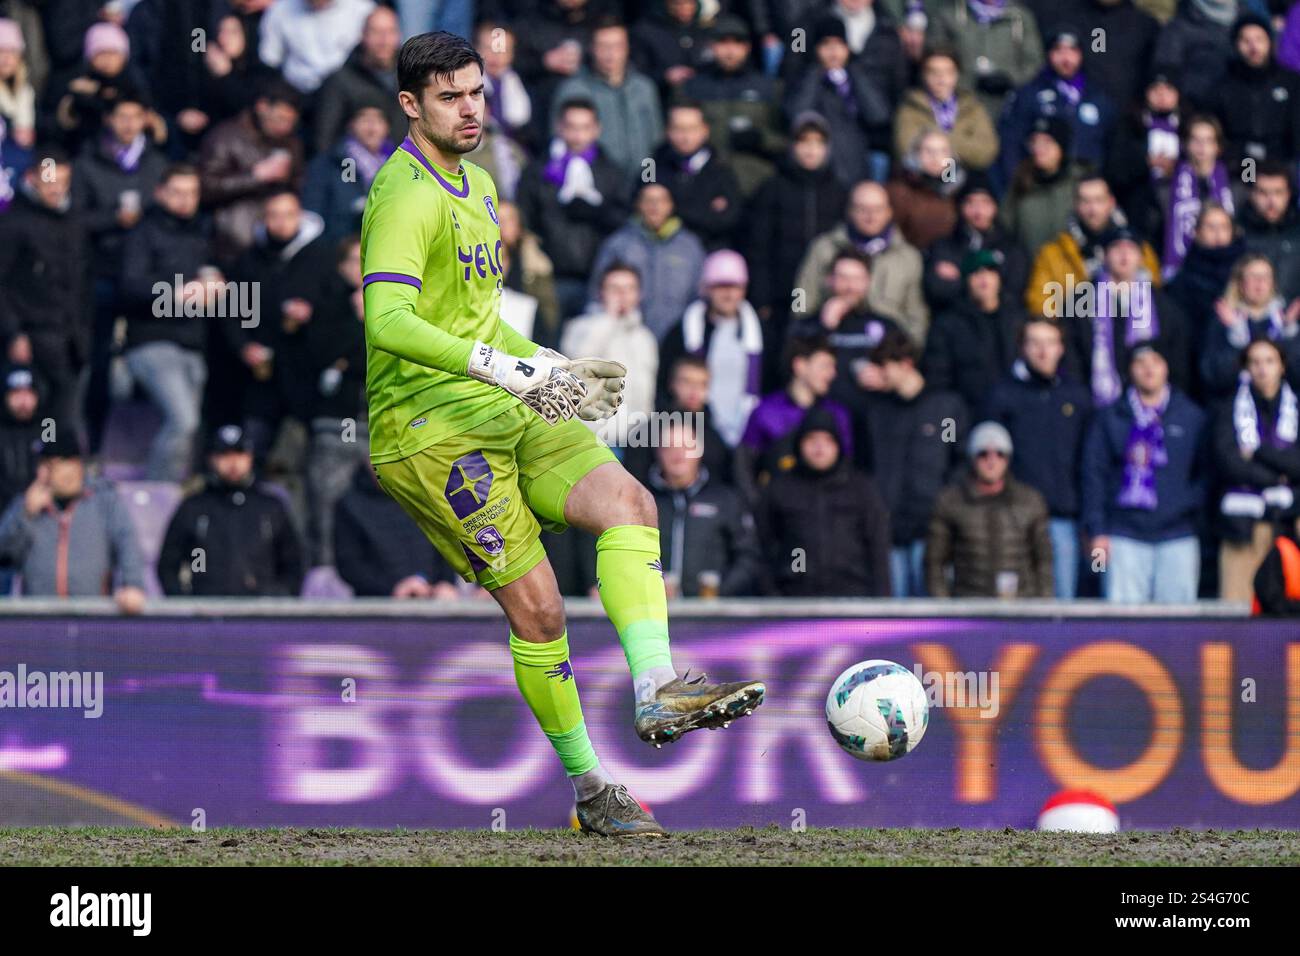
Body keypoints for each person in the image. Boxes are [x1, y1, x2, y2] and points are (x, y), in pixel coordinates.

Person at [358, 32, 763, 837]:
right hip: (429, 431)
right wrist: (501, 368)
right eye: (449, 97)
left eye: (476, 91)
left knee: (631, 502)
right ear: (410, 105)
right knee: (541, 612)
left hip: (496, 397)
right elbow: (387, 319)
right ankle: (591, 790)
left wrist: (547, 363)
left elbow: (473, 316)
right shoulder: (403, 195)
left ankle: (658, 687)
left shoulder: (477, 181)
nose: (470, 108)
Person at [1083, 342, 1207, 603]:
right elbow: (1093, 475)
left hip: (1178, 536)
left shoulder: (1192, 416)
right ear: (1130, 370)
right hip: (1121, 536)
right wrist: (1097, 533)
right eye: (1141, 363)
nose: (1149, 369)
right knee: (1120, 627)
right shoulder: (1109, 417)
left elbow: (1207, 475)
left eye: (1156, 362)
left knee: (1178, 627)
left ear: (1167, 368)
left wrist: (1185, 507)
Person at [118, 163, 214, 482]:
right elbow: (129, 286)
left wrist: (216, 283)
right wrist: (177, 293)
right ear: (160, 193)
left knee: (191, 427)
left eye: (192, 193)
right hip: (151, 341)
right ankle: (159, 492)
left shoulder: (202, 232)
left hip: (193, 342)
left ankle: (177, 492)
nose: (186, 200)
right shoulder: (143, 232)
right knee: (183, 421)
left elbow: (212, 277)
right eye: (178, 192)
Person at [986, 317, 1093, 598]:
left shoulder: (1078, 397)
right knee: (1010, 604)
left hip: (1063, 520)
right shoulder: (1002, 395)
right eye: (1035, 343)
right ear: (1022, 348)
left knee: (1061, 607)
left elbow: (1091, 462)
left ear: (1061, 348)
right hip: (1013, 518)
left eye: (1050, 343)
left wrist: (1090, 519)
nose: (1043, 351)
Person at [858, 328, 968, 597]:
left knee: (933, 614)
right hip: (888, 531)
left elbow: (961, 461)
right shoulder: (875, 412)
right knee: (893, 616)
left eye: (884, 366)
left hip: (933, 532)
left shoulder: (946, 409)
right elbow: (865, 467)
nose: (878, 374)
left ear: (906, 364)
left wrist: (944, 506)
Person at [0, 432, 146, 612]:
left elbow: (127, 543)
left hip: (93, 619)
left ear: (74, 466)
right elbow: (4, 556)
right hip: (38, 619)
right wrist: (26, 515)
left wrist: (133, 584)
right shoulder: (26, 504)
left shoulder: (104, 501)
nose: (41, 473)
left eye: (49, 465)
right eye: (41, 465)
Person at [757, 404, 892, 597]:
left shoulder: (861, 488)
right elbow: (762, 549)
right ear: (799, 445)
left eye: (827, 440)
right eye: (812, 439)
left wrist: (882, 603)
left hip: (853, 598)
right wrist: (772, 596)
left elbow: (878, 549)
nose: (819, 447)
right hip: (794, 599)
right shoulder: (779, 489)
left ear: (837, 446)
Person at [516, 97, 631, 322]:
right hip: (551, 276)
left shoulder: (612, 172)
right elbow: (526, 215)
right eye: (571, 127)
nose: (578, 135)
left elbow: (624, 218)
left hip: (599, 277)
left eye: (585, 127)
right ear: (559, 127)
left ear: (597, 129)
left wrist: (597, 213)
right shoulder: (540, 171)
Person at [157, 424, 305, 597]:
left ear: (250, 458)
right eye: (225, 455)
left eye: (239, 454)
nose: (233, 462)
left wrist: (279, 597)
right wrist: (186, 602)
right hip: (206, 612)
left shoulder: (271, 507)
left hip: (262, 614)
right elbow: (168, 565)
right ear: (212, 459)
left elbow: (293, 564)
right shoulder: (194, 507)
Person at [0, 144, 88, 431]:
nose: (57, 189)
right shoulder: (13, 224)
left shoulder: (74, 222)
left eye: (63, 182)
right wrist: (13, 331)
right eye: (50, 181)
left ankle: (55, 460)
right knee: (35, 410)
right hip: (30, 337)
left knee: (62, 410)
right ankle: (36, 461)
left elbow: (81, 281)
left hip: (69, 336)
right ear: (31, 178)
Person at [1212, 338, 1300, 601]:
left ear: (1282, 366)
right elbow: (1227, 462)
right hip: (1243, 527)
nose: (1262, 368)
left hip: (1289, 522)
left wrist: (1259, 451)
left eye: (1270, 361)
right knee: (1236, 613)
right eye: (1255, 362)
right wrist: (1278, 477)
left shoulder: (1296, 407)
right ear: (1246, 368)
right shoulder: (1229, 409)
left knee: (1288, 612)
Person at [925, 419, 1054, 598]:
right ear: (972, 458)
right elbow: (935, 562)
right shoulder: (951, 502)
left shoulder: (1030, 501)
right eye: (983, 454)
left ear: (1008, 458)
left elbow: (1044, 561)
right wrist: (944, 608)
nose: (991, 461)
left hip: (1021, 607)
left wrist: (1042, 606)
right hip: (968, 607)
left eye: (999, 454)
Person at [793, 180, 929, 343]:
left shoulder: (908, 257)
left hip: (887, 347)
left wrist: (909, 351)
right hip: (830, 342)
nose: (870, 217)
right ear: (850, 211)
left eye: (878, 209)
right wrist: (812, 323)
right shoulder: (823, 248)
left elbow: (916, 313)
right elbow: (800, 296)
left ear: (889, 212)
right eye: (862, 209)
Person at [657, 249, 765, 448]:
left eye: (735, 286)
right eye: (720, 286)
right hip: (695, 430)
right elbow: (665, 382)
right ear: (706, 288)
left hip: (744, 429)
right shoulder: (682, 331)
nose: (729, 294)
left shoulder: (759, 332)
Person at [647, 417, 761, 598]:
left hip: (712, 617)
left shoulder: (725, 499)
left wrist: (720, 591)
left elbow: (748, 557)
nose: (679, 455)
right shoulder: (642, 498)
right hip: (650, 610)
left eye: (687, 447)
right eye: (670, 447)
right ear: (658, 452)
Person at [735, 335, 852, 508]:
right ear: (800, 366)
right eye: (825, 366)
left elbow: (846, 469)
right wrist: (758, 509)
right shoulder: (766, 411)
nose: (832, 373)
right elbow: (743, 469)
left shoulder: (837, 414)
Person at [783, 15, 890, 188]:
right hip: (822, 169)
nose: (833, 51)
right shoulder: (806, 77)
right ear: (816, 49)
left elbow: (878, 115)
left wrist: (855, 74)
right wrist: (816, 72)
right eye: (826, 44)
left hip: (856, 163)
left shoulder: (859, 75)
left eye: (839, 44)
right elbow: (796, 113)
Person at [588, 182, 704, 341]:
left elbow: (699, 294)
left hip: (676, 338)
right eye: (648, 200)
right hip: (626, 337)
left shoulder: (690, 247)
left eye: (661, 200)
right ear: (638, 205)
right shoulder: (618, 244)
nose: (655, 206)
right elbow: (596, 293)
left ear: (671, 205)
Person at [550, 16, 663, 179]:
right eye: (603, 46)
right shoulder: (572, 90)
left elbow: (655, 143)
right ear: (591, 48)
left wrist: (650, 181)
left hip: (641, 185)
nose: (611, 54)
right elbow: (558, 145)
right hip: (595, 189)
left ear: (627, 47)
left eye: (618, 46)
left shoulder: (644, 88)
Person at [922, 248, 1027, 414]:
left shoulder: (1019, 319)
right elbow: (938, 379)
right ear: (966, 280)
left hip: (1019, 411)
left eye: (991, 271)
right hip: (970, 414)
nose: (984, 278)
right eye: (976, 272)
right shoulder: (947, 324)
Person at [334, 461, 460, 598]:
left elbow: (445, 544)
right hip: (377, 605)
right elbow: (350, 565)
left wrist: (445, 582)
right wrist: (393, 588)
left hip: (433, 599)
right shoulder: (350, 505)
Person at [923, 171, 1028, 312]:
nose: (978, 211)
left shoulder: (1011, 248)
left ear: (995, 207)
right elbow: (938, 290)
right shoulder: (945, 246)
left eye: (985, 202)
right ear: (960, 207)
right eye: (970, 202)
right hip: (955, 321)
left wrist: (961, 276)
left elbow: (1014, 293)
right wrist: (987, 286)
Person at [1200, 253, 1300, 398]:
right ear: (1240, 283)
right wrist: (1236, 338)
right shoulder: (1222, 320)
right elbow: (1213, 377)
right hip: (1234, 405)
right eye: (1253, 276)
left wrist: (1290, 334)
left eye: (1265, 276)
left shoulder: (1287, 319)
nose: (1260, 282)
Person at [892, 45, 998, 173]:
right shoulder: (911, 107)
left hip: (966, 178)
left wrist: (937, 144)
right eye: (934, 72)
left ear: (957, 75)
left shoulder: (972, 107)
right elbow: (906, 150)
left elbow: (987, 151)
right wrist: (961, 143)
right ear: (923, 75)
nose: (941, 79)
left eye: (948, 72)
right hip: (921, 181)